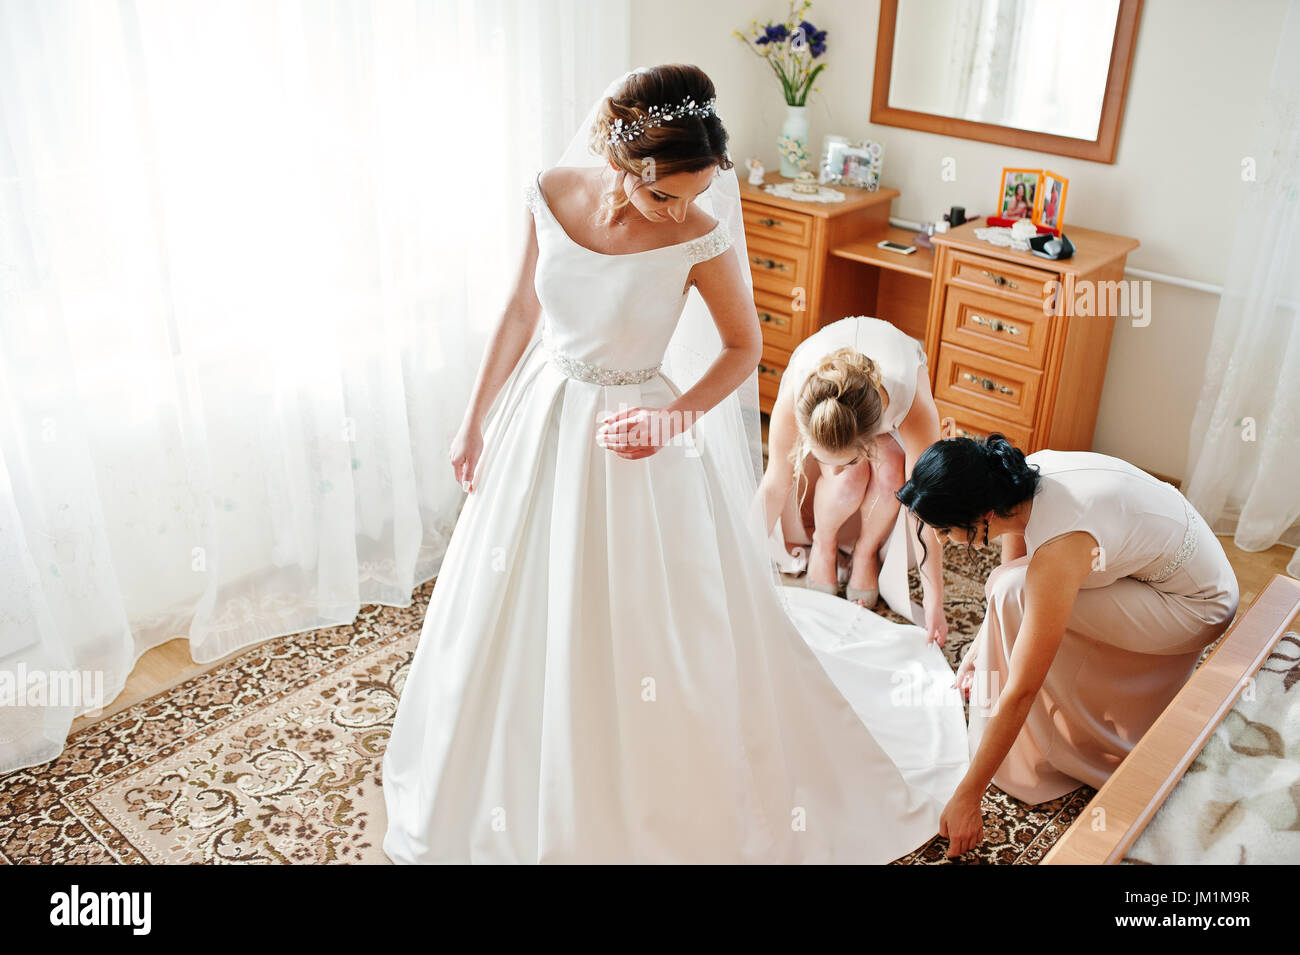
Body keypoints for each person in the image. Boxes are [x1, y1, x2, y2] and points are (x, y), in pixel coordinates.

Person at [380, 64, 967, 864]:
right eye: (665, 195)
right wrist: (472, 418)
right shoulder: (549, 191)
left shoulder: (697, 230)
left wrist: (669, 418)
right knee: (517, 596)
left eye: (694, 194)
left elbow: (743, 348)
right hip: (544, 415)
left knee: (645, 617)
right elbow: (521, 309)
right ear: (619, 162)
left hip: (640, 433)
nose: (682, 210)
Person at [895, 435, 1239, 858]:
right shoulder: (1017, 484)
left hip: (1194, 607)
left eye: (946, 530)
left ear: (981, 515)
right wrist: (978, 649)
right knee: (1009, 587)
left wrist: (969, 795)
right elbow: (1006, 579)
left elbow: (1021, 688)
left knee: (1015, 592)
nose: (945, 541)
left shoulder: (1060, 546)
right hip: (1185, 570)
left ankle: (1049, 750)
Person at [758, 317, 949, 647]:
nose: (830, 471)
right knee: (847, 479)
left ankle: (866, 551)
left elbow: (924, 506)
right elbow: (774, 484)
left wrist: (936, 602)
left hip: (885, 399)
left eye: (845, 459)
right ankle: (824, 542)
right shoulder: (798, 394)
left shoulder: (911, 400)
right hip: (832, 404)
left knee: (892, 473)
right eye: (822, 461)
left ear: (871, 439)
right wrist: (741, 565)